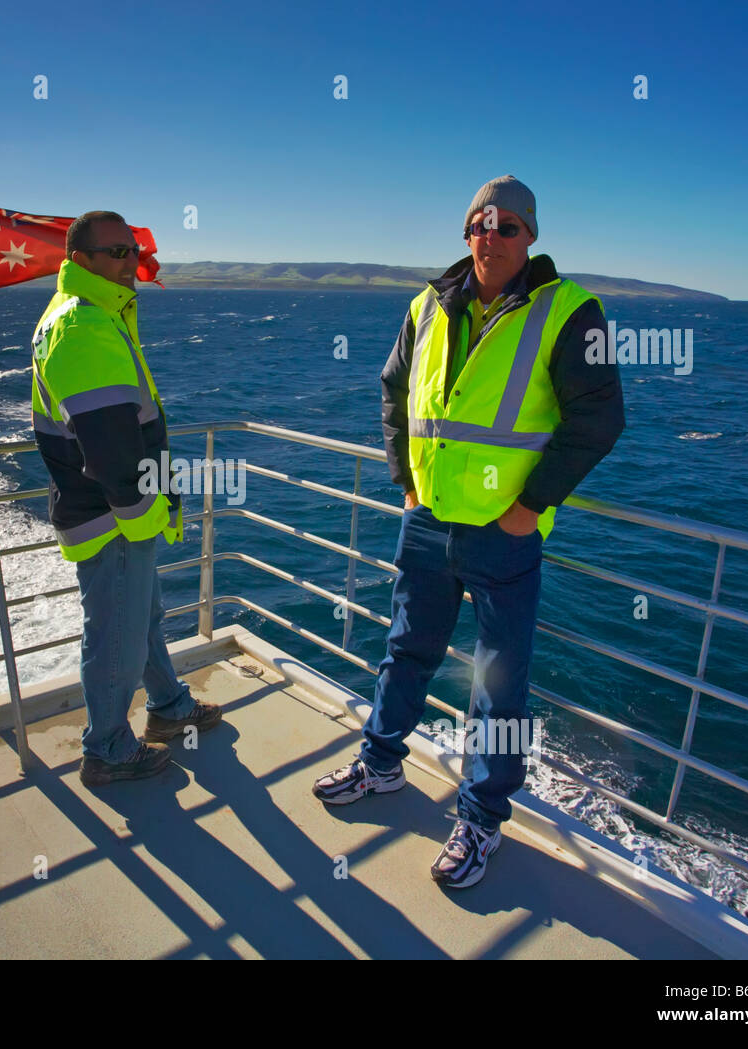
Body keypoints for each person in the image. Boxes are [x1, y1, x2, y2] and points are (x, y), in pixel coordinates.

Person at [312, 176, 625, 888]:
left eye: (508, 225)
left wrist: (529, 506)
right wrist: (408, 478)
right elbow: (393, 390)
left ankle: (482, 816)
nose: (492, 234)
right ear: (465, 233)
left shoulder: (571, 312)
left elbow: (600, 418)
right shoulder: (426, 305)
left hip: (503, 533)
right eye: (480, 222)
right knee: (406, 648)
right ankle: (381, 762)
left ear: (532, 237)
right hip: (427, 520)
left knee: (498, 686)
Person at [31, 210, 221, 787]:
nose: (130, 262)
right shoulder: (83, 326)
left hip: (122, 515)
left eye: (132, 251)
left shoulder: (97, 316)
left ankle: (167, 706)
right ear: (80, 260)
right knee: (116, 627)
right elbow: (111, 449)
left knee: (141, 616)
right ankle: (108, 747)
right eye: (116, 252)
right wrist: (144, 519)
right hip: (112, 518)